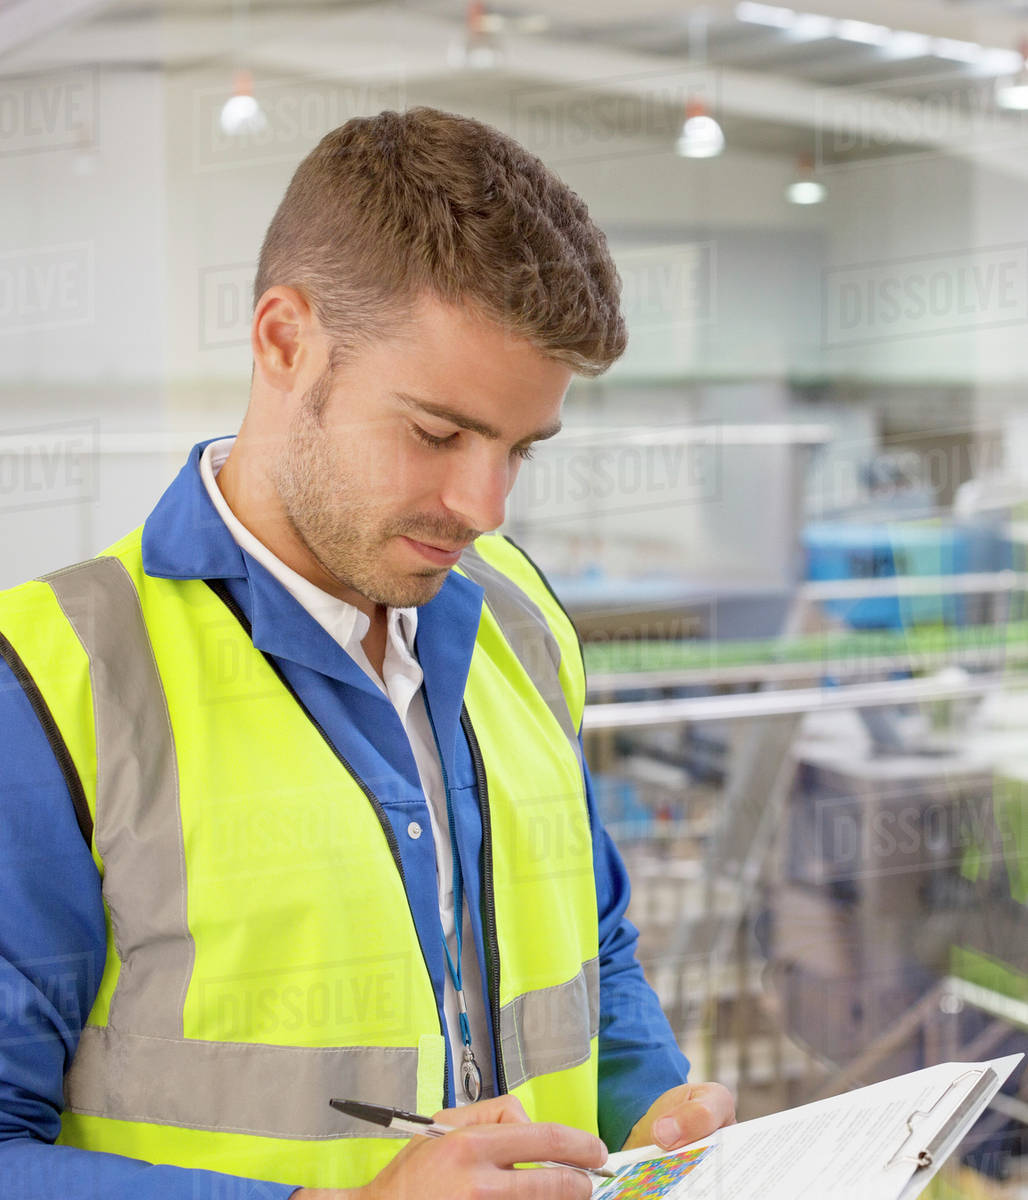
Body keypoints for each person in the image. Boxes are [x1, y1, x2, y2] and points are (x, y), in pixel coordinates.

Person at [0, 107, 734, 1199]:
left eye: (517, 450)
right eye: (436, 434)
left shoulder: (516, 617)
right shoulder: (52, 685)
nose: (480, 506)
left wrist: (650, 1099)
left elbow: (597, 937)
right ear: (284, 341)